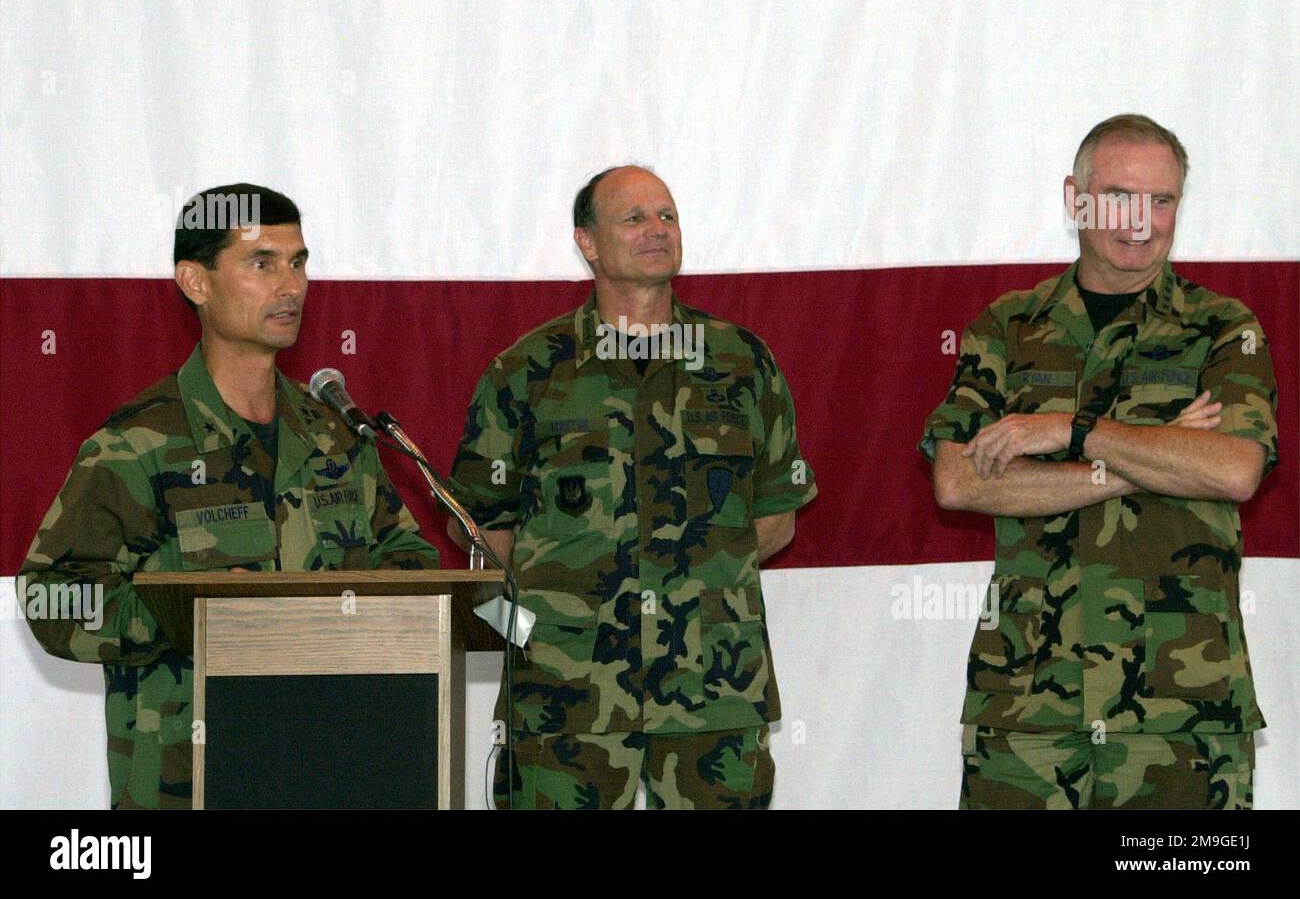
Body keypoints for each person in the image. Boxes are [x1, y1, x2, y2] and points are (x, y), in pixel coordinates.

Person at [18, 183, 440, 809]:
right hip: (193, 778)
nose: (291, 286)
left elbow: (410, 559)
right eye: (261, 263)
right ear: (195, 282)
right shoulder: (141, 442)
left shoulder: (335, 433)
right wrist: (192, 613)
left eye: (298, 262)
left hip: (339, 765)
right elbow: (53, 596)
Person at [919, 115, 1279, 809]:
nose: (1141, 222)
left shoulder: (1223, 327)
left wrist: (1068, 429)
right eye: (1119, 196)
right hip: (1029, 707)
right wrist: (1145, 456)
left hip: (1181, 715)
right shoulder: (1008, 326)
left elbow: (1233, 469)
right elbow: (958, 481)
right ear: (1074, 198)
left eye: (1163, 200)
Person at [446, 165, 816, 809]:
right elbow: (483, 531)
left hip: (711, 693)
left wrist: (685, 578)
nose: (657, 230)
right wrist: (557, 619)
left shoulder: (739, 361)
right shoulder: (528, 370)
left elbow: (775, 515)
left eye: (667, 216)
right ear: (587, 243)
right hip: (568, 696)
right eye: (634, 218)